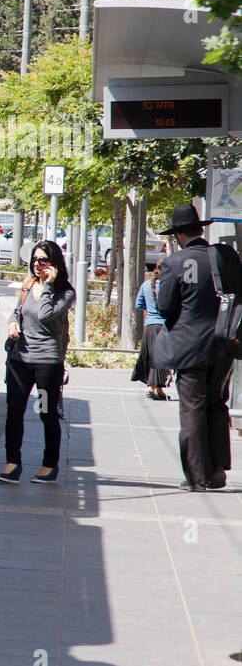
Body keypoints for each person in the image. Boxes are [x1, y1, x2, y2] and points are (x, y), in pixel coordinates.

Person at [151, 204, 242, 491]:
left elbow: (165, 307)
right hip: (223, 344)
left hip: (189, 348)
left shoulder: (175, 263)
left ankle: (196, 475)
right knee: (217, 405)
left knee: (192, 409)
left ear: (178, 235)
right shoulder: (223, 257)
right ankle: (217, 471)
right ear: (200, 229)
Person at [0, 239, 76, 484]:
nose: (37, 264)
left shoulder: (66, 293)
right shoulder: (27, 284)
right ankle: (12, 463)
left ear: (54, 264)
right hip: (20, 360)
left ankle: (49, 465)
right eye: (34, 259)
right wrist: (12, 322)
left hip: (46, 365)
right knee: (14, 412)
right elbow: (17, 310)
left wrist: (49, 286)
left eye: (43, 260)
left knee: (46, 413)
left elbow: (45, 316)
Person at [132, 258, 170, 400]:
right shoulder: (167, 285)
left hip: (149, 326)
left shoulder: (146, 284)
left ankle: (158, 388)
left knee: (150, 356)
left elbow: (139, 304)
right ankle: (151, 387)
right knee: (161, 357)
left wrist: (151, 309)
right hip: (163, 326)